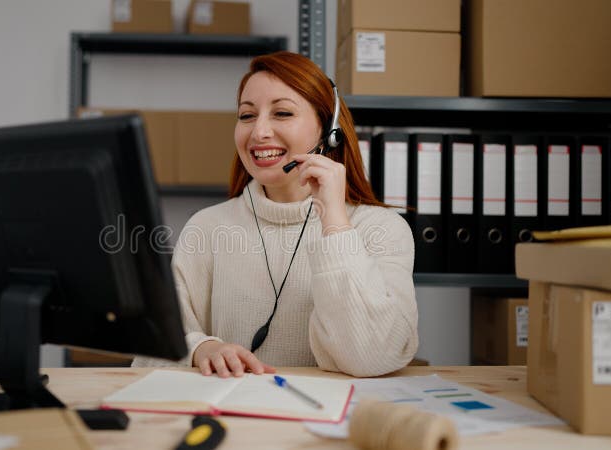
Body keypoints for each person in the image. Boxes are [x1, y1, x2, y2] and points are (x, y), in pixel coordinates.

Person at [133, 51, 417, 378]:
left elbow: (371, 357)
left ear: (329, 130)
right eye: (246, 115)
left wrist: (335, 224)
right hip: (234, 420)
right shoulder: (207, 228)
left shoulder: (382, 229)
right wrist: (200, 349)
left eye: (281, 113)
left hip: (333, 423)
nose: (259, 132)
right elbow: (148, 353)